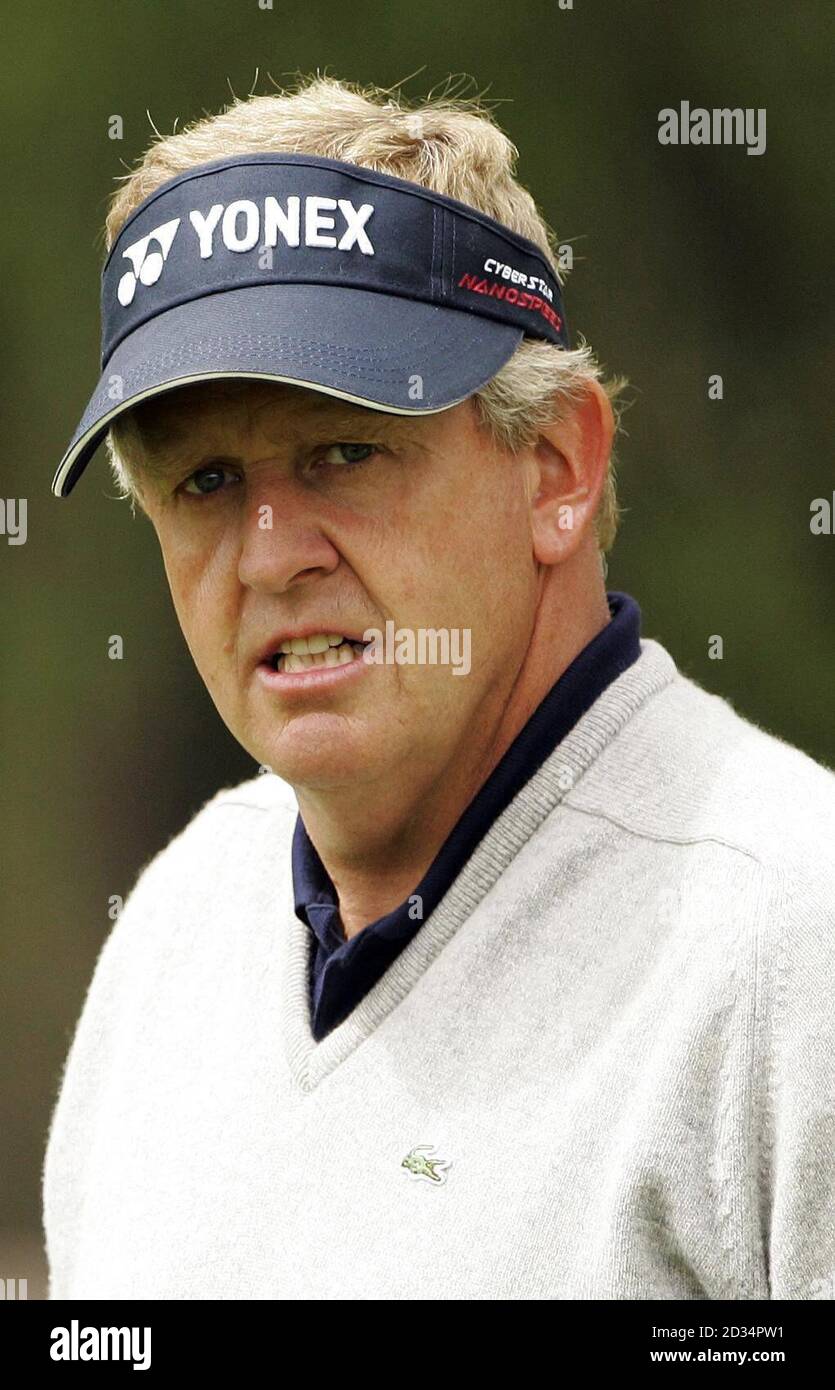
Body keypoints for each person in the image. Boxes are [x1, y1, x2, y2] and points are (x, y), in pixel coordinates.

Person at [43, 75, 835, 1301]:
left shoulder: (792, 942)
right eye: (202, 481)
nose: (268, 553)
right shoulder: (167, 934)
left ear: (557, 464)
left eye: (345, 450)